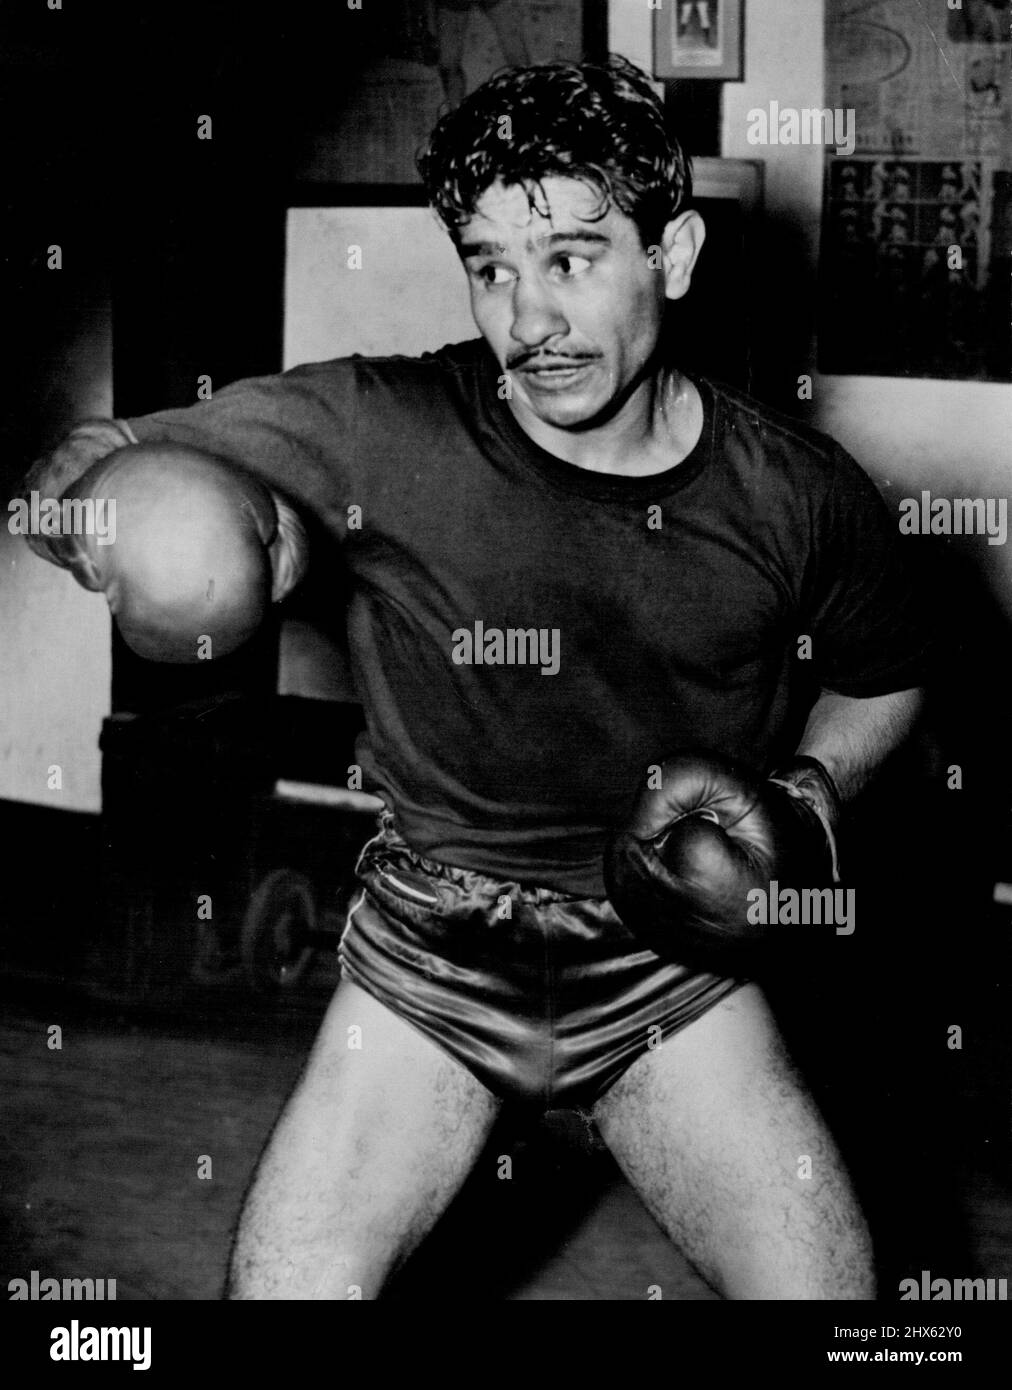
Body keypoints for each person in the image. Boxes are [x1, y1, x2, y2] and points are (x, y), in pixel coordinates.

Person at [19, 56, 929, 1299]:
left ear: (672, 254)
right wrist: (121, 525)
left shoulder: (802, 498)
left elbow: (887, 678)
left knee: (835, 1308)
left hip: (668, 962)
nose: (529, 320)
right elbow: (91, 460)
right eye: (491, 266)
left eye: (569, 257)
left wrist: (810, 796)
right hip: (431, 950)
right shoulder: (388, 424)